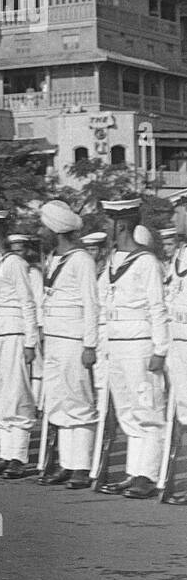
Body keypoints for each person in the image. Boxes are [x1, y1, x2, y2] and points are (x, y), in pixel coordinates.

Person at [97, 198, 168, 498]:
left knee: (148, 410)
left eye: (107, 221)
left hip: (141, 344)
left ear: (121, 224)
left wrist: (160, 350)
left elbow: (157, 307)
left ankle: (148, 475)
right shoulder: (111, 262)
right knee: (127, 411)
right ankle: (133, 472)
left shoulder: (146, 262)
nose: (104, 227)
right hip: (116, 344)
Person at [37, 199, 99, 488]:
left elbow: (91, 303)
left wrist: (90, 344)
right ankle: (67, 463)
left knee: (78, 399)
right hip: (54, 338)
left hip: (74, 340)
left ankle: (82, 467)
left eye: (44, 227)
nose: (41, 231)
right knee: (59, 400)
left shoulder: (82, 260)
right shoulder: (55, 258)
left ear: (56, 230)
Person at [0, 210, 39, 477]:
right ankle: (5, 453)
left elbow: (28, 301)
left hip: (13, 333)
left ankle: (19, 456)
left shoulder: (14, 263)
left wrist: (30, 341)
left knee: (16, 391)